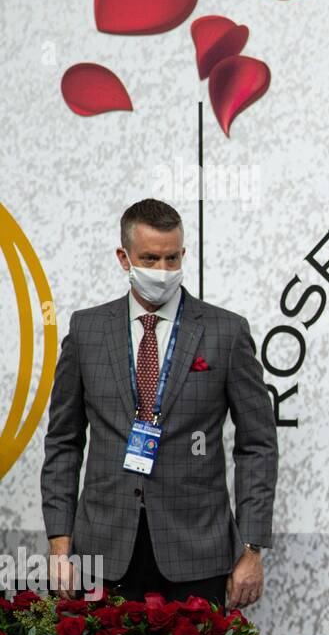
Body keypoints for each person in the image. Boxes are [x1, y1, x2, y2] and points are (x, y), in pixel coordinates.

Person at [41, 199, 278, 607]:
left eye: (172, 258)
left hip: (199, 555)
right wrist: (60, 545)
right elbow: (63, 442)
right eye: (150, 258)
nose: (163, 271)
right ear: (124, 257)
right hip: (102, 552)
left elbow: (258, 444)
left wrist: (252, 549)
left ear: (184, 254)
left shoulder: (226, 332)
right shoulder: (86, 331)